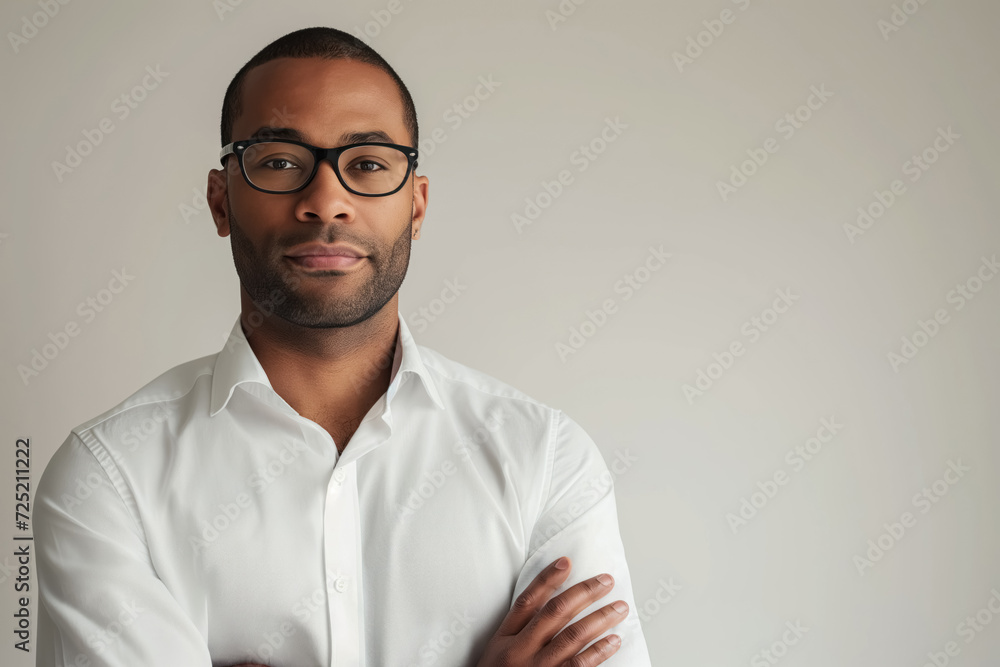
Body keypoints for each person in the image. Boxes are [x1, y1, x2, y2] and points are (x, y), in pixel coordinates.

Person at [34, 26, 652, 667]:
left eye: (368, 164)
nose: (326, 201)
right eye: (278, 162)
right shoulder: (105, 479)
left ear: (416, 205)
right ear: (221, 201)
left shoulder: (545, 460)